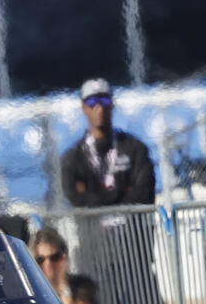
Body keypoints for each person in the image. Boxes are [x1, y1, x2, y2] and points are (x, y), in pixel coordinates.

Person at [60, 78, 155, 208]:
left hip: (130, 221)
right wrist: (120, 195)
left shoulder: (135, 149)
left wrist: (109, 206)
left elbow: (144, 191)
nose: (99, 108)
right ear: (84, 107)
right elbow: (76, 197)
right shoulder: (73, 158)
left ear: (112, 104)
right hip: (93, 222)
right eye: (92, 102)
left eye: (105, 101)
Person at [29, 226, 76, 304]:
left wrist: (63, 286)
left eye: (55, 258)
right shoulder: (28, 292)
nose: (48, 264)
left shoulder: (81, 289)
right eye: (40, 260)